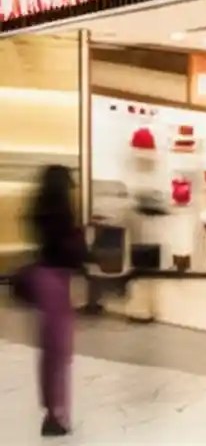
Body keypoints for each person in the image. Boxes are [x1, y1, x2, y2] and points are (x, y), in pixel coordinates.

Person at [26, 165, 86, 437]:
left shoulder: (39, 211)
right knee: (60, 351)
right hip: (57, 281)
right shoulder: (62, 214)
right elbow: (72, 252)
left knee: (49, 351)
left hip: (41, 277)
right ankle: (57, 415)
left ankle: (51, 411)